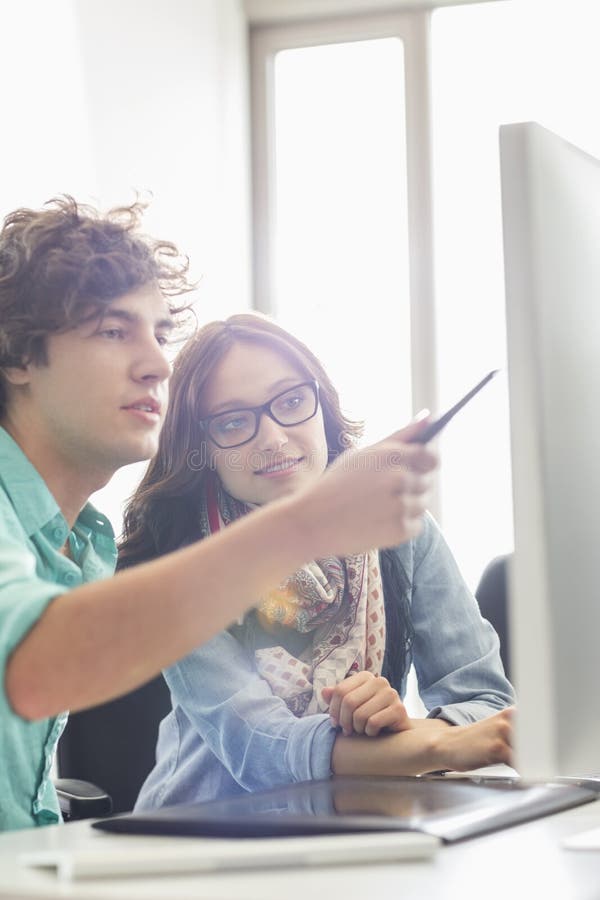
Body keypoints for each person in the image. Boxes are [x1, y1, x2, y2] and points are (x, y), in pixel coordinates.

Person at [0, 197, 442, 831]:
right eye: (113, 331)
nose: (157, 364)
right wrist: (309, 522)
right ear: (16, 354)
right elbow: (34, 666)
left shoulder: (83, 543)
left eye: (158, 333)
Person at [117, 314, 515, 813]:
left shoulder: (400, 529)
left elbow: (487, 702)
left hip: (366, 825)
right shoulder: (182, 562)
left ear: (322, 405)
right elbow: (260, 749)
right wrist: (435, 744)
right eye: (234, 421)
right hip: (204, 834)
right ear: (203, 447)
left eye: (290, 402)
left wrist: (394, 724)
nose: (274, 438)